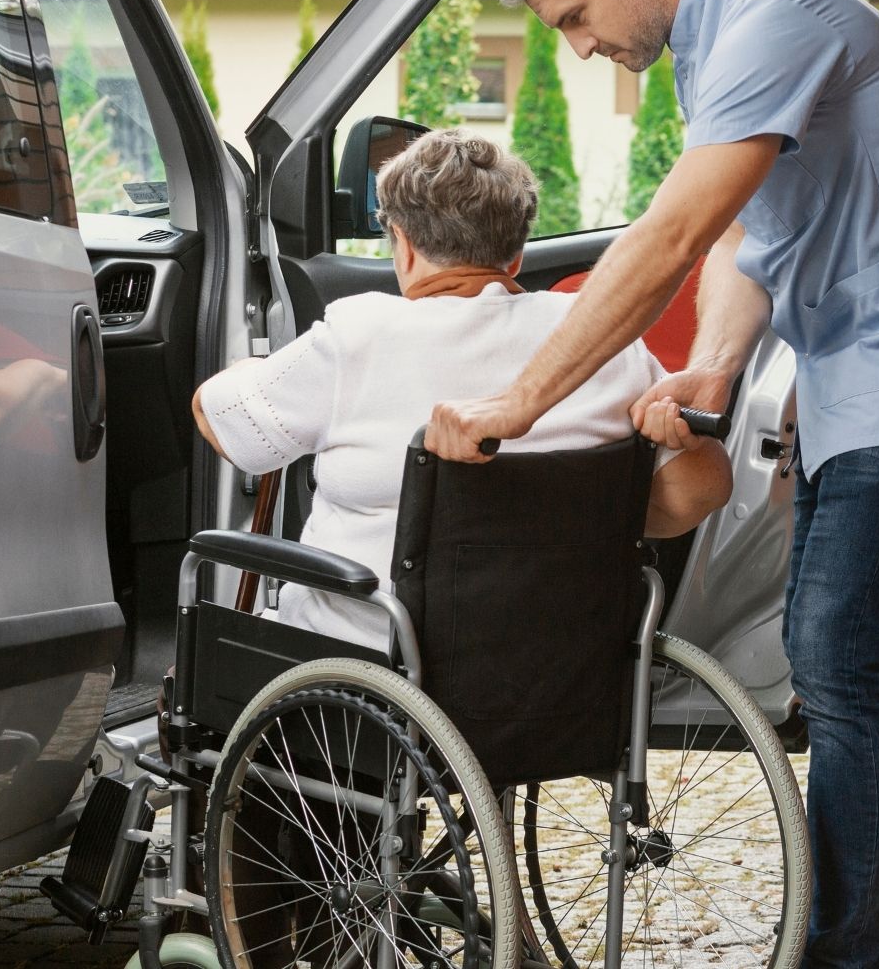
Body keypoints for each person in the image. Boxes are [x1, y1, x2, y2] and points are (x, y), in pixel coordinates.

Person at [423, 0, 879, 966]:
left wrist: (517, 402)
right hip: (864, 367)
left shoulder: (768, 20)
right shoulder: (712, 41)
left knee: (836, 663)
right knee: (832, 658)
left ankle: (848, 952)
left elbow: (674, 231)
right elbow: (750, 237)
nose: (578, 50)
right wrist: (714, 361)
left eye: (571, 17)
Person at [193, 128, 732, 649]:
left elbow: (222, 423)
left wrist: (244, 371)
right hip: (557, 673)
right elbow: (693, 494)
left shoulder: (356, 337)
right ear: (515, 255)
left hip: (366, 676)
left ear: (401, 246)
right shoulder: (603, 341)